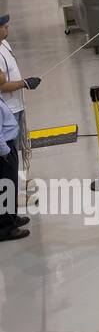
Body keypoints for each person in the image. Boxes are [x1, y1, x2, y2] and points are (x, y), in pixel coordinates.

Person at [0, 14, 41, 201]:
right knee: (9, 153)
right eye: (3, 26)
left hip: (17, 104)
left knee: (16, 152)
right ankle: (10, 196)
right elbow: (1, 85)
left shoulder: (5, 45)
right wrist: (24, 83)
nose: (7, 27)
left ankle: (16, 184)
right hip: (8, 109)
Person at [0, 92, 29, 241]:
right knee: (6, 188)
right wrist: (5, 152)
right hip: (4, 152)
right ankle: (6, 228)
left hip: (7, 148)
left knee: (11, 186)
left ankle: (12, 218)